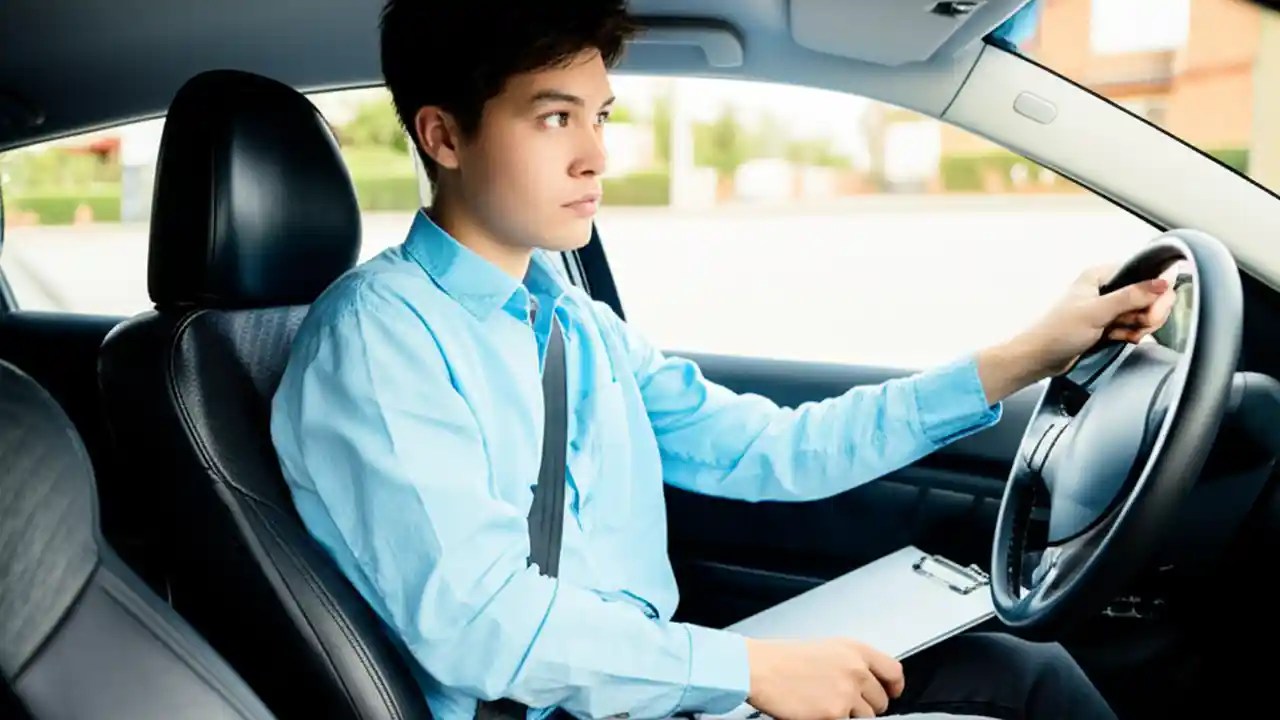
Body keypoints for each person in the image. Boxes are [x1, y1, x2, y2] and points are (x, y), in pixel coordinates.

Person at [269, 2, 1175, 719]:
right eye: (553, 118)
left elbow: (773, 450)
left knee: (1017, 669)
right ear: (445, 137)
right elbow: (483, 627)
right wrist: (749, 670)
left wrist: (1024, 355)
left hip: (640, 693)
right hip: (552, 707)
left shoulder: (575, 326)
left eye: (599, 116)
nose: (596, 155)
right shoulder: (377, 341)